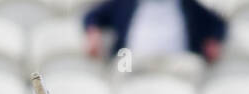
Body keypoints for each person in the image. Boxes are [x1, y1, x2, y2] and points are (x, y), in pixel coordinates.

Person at [82, 0, 226, 66]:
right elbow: (92, 16)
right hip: (134, 63)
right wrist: (93, 34)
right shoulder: (124, 3)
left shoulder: (187, 4)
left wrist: (213, 41)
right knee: (121, 67)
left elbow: (217, 23)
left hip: (176, 64)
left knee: (192, 67)